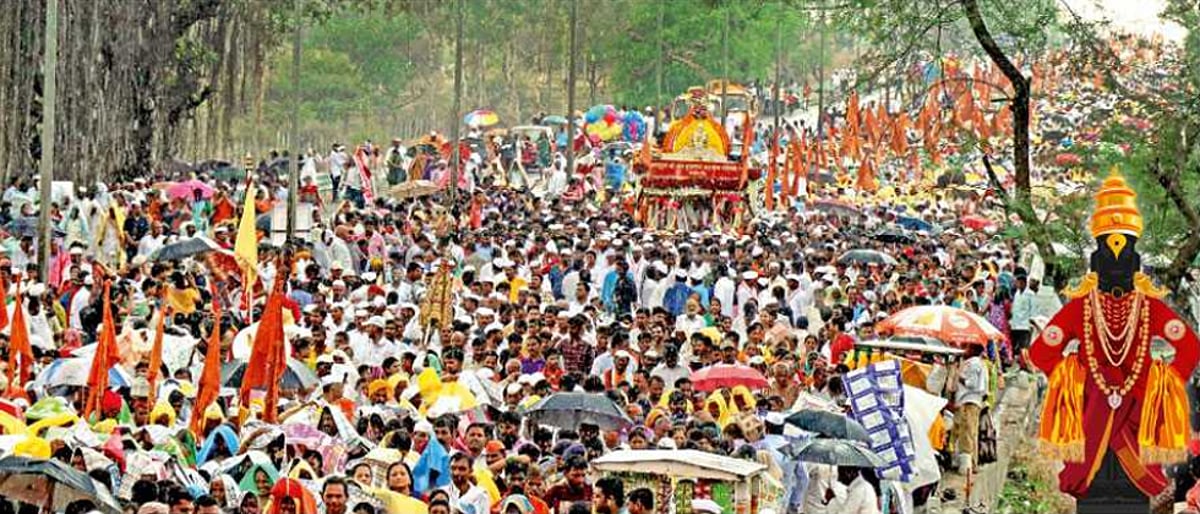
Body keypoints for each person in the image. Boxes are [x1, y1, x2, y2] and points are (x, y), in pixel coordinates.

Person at [953, 343, 989, 474]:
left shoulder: (973, 364)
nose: (964, 350)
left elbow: (971, 384)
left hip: (969, 400)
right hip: (974, 400)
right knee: (971, 432)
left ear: (973, 350)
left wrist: (959, 376)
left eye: (967, 348)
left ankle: (966, 465)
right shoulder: (979, 363)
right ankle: (972, 463)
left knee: (967, 431)